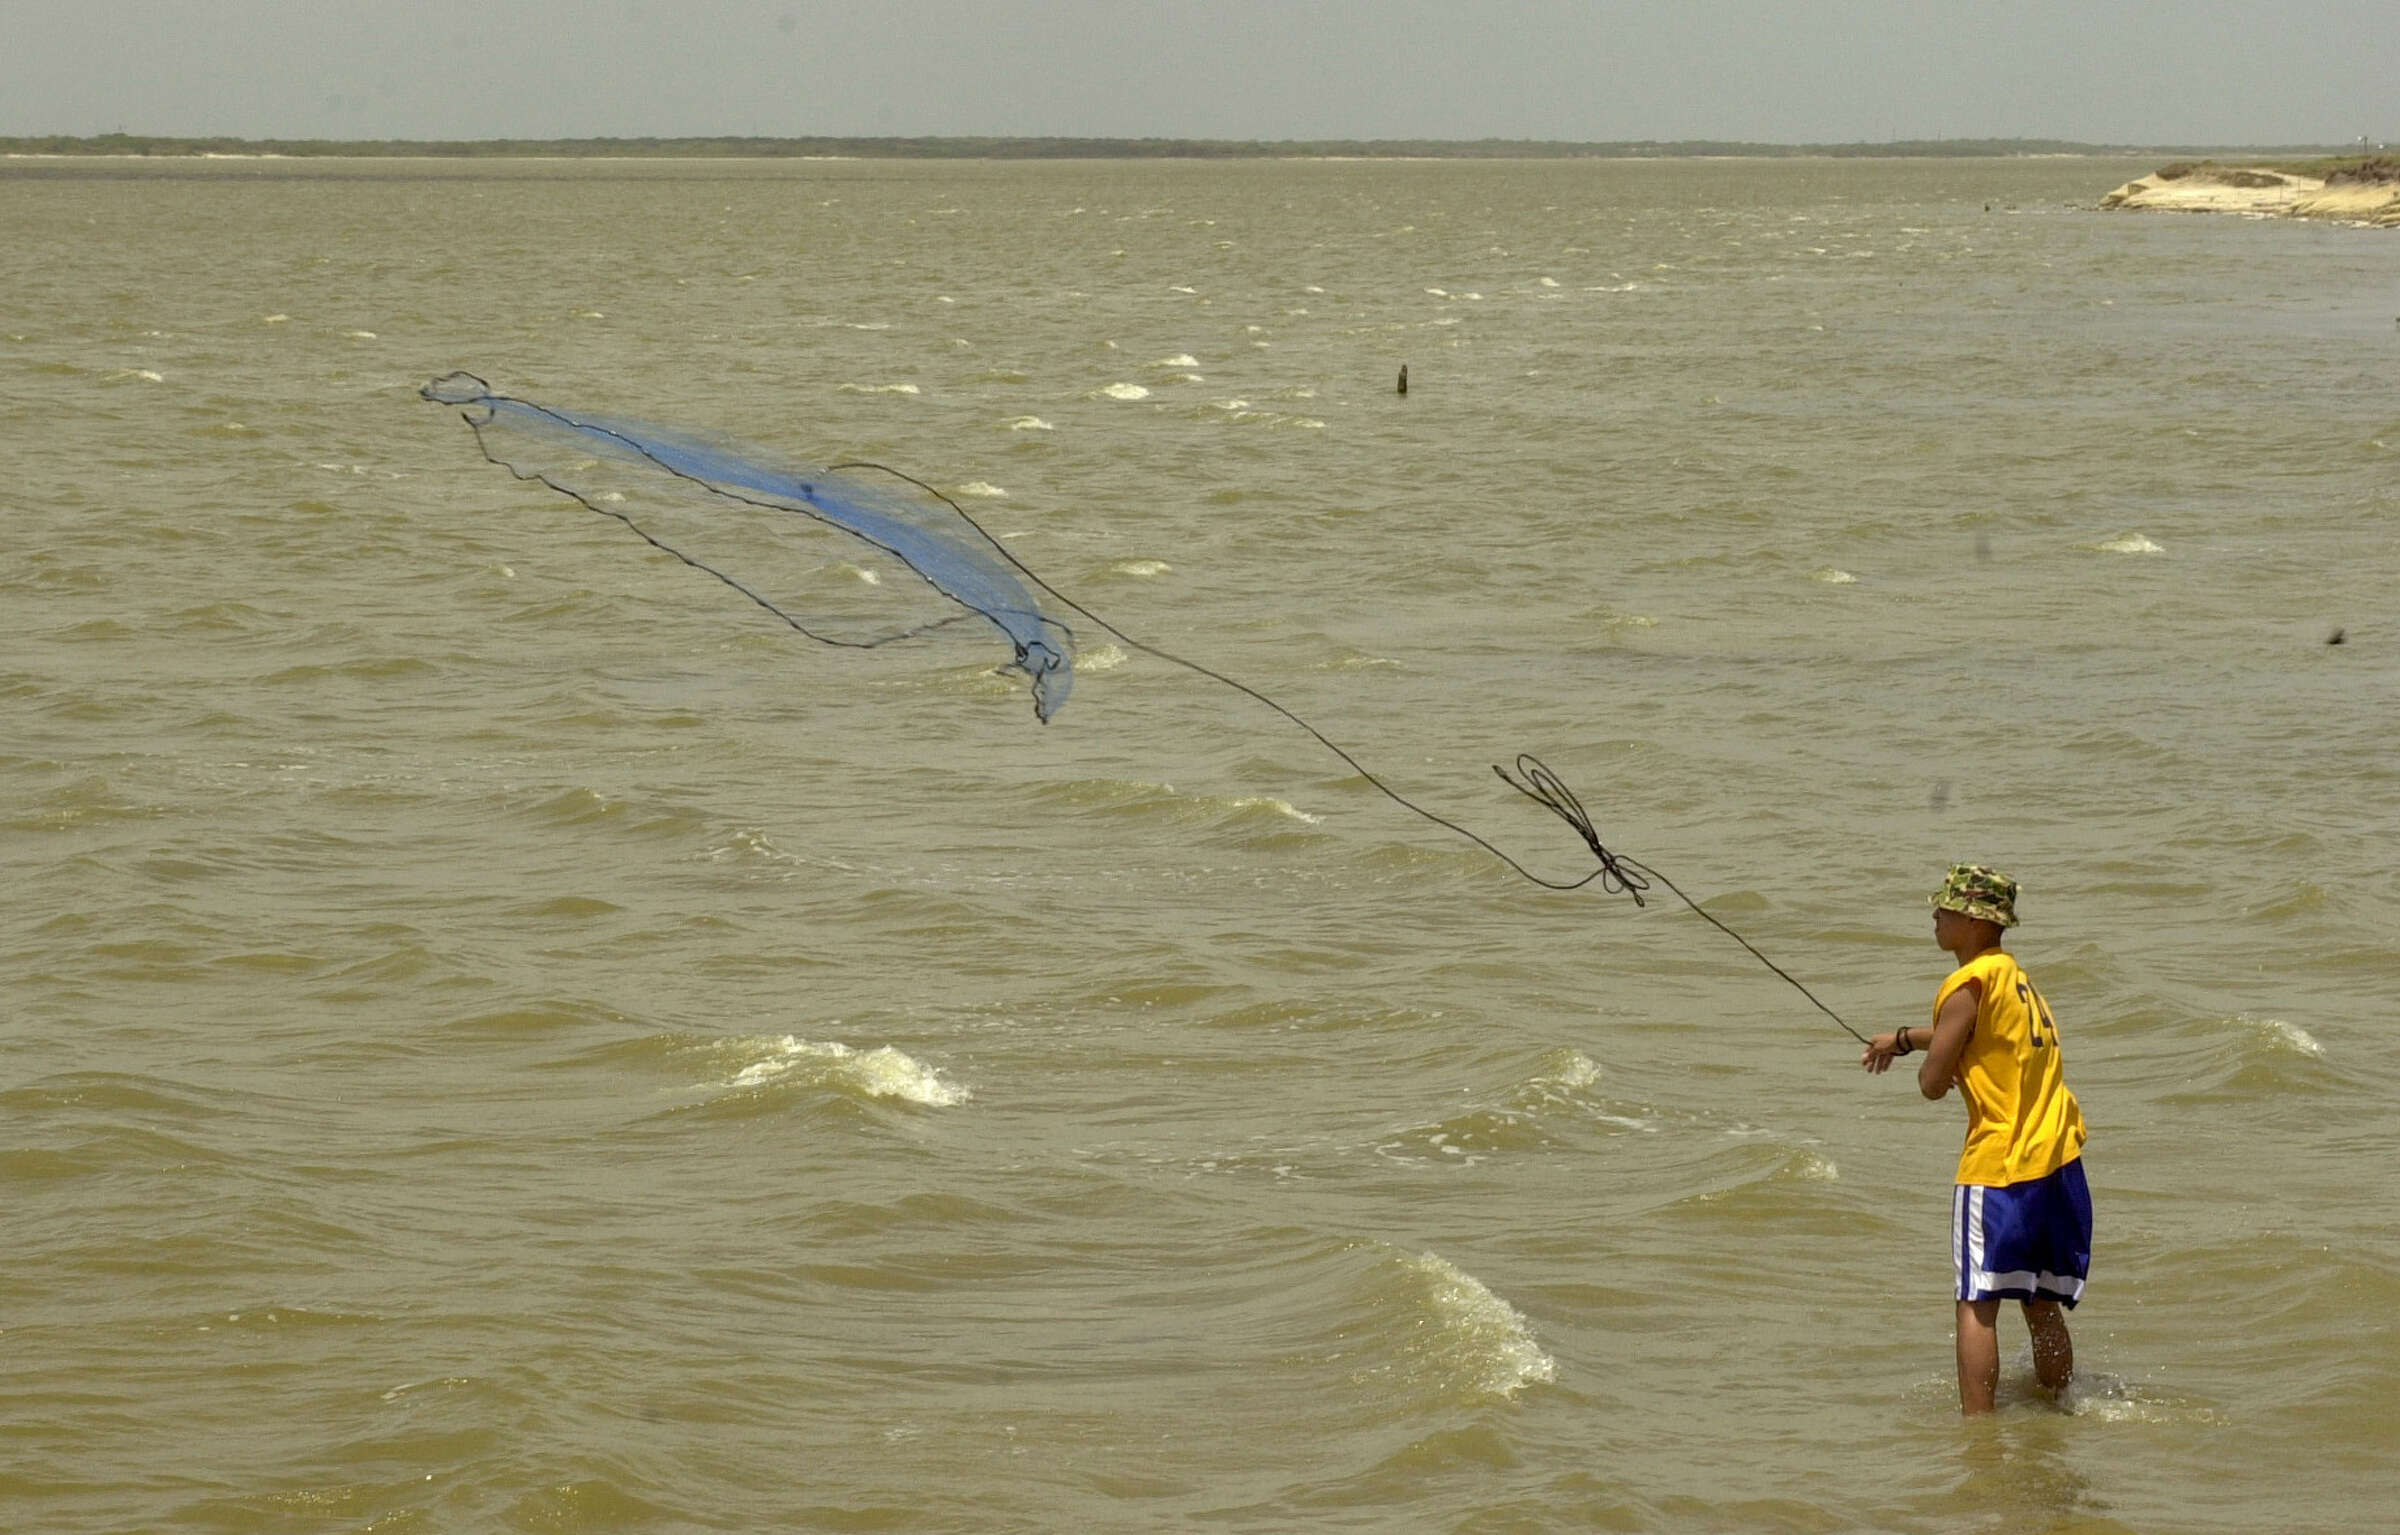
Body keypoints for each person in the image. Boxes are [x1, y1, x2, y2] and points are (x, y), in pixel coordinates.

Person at [1863, 865, 2091, 1414]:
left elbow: (1933, 1085)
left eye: (1943, 910)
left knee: (1976, 1302)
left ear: (1972, 920)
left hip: (2001, 1167)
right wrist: (1902, 1038)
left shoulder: (1964, 985)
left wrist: (1925, 1062)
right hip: (2059, 1163)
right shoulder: (2013, 977)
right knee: (2039, 1302)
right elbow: (1982, 1040)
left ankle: (1979, 1436)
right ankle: (2058, 1406)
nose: (1934, 916)